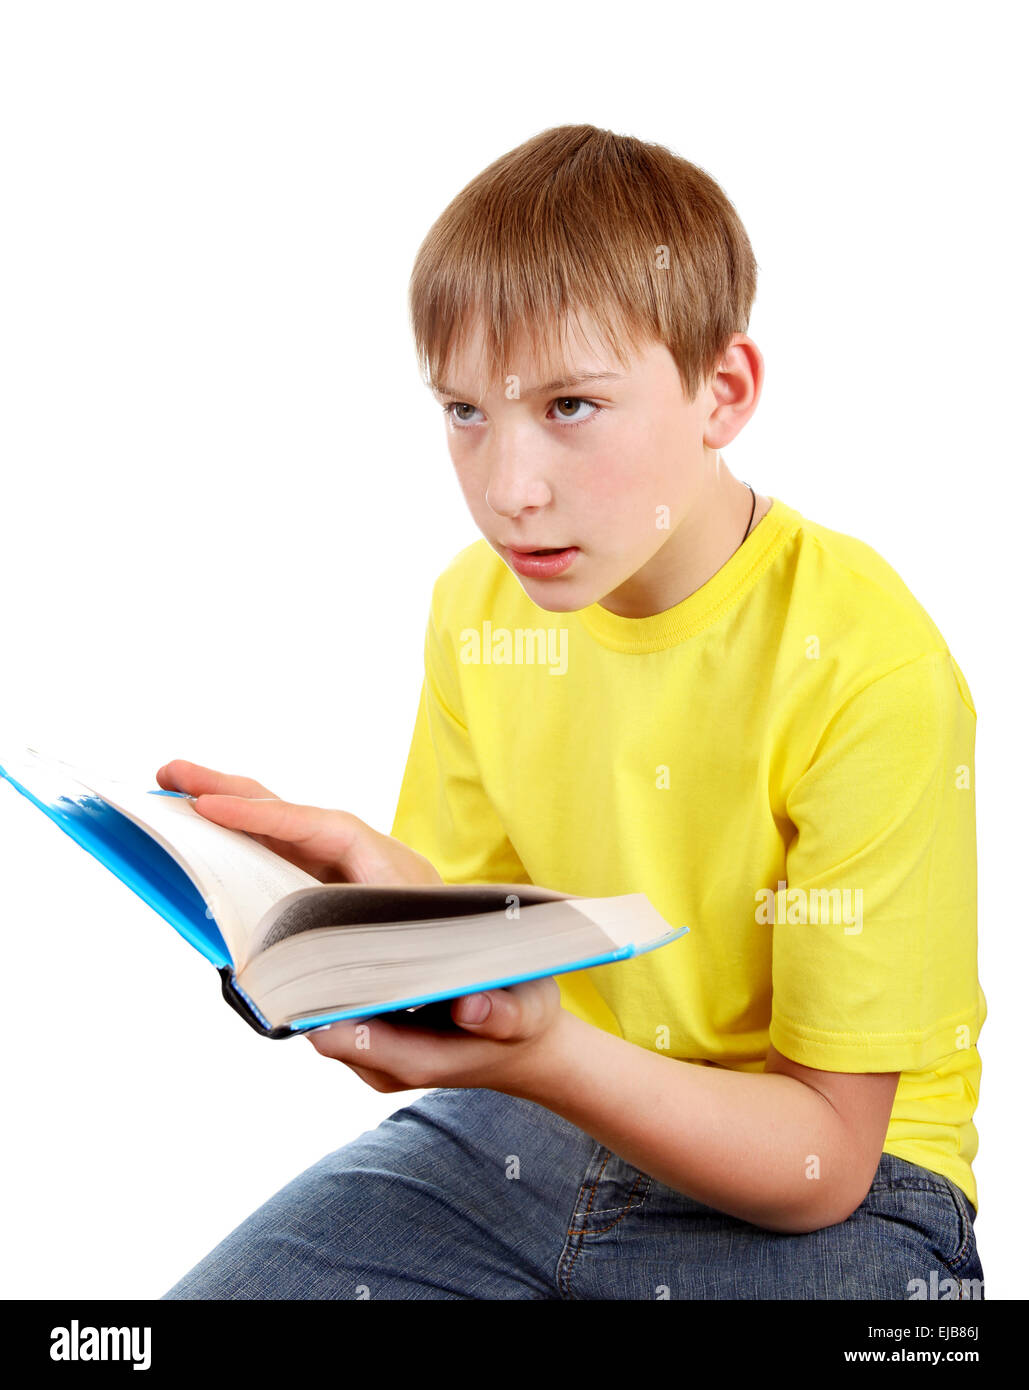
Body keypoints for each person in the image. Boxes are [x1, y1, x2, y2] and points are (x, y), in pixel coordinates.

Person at [160, 123, 985, 1300]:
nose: (509, 488)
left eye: (571, 406)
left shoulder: (867, 665)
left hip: (830, 1193)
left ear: (723, 392)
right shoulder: (477, 605)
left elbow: (824, 1161)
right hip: (528, 1138)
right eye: (464, 412)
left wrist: (547, 1051)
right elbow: (503, 945)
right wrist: (362, 890)